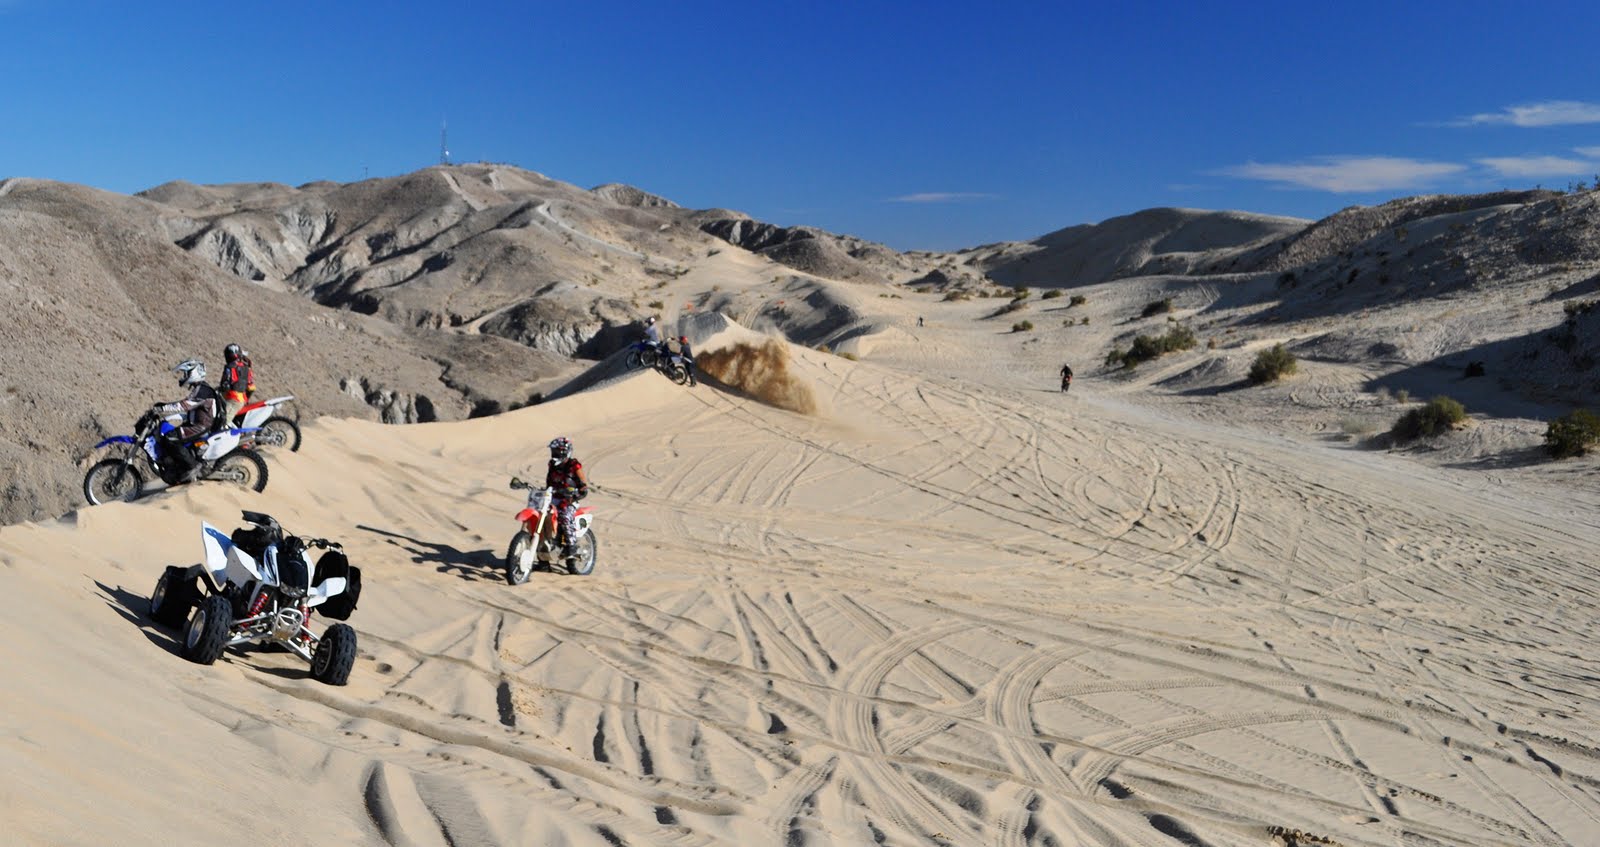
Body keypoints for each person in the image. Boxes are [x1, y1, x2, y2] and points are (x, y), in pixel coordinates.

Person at [154, 359, 220, 483]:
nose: (184, 377)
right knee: (172, 434)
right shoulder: (201, 388)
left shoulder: (202, 390)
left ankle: (192, 467)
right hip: (197, 423)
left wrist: (162, 408)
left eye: (186, 373)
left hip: (201, 426)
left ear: (194, 373)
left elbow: (183, 406)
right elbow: (188, 409)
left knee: (171, 438)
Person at [545, 436, 590, 568]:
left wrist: (578, 492)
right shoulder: (552, 465)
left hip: (569, 499)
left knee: (564, 515)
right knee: (542, 514)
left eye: (557, 452)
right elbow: (548, 483)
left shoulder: (574, 465)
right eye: (553, 451)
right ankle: (543, 557)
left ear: (565, 452)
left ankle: (571, 545)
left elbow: (583, 485)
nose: (554, 454)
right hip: (554, 497)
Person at [218, 343, 256, 424]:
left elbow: (225, 385)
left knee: (223, 422)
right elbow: (251, 388)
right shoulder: (246, 368)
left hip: (233, 400)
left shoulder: (230, 368)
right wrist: (246, 399)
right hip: (242, 400)